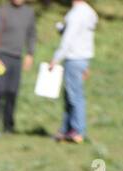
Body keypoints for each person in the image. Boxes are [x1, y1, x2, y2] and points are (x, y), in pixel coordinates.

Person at [0, 0, 36, 136]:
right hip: (2, 57)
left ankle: (8, 126)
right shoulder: (2, 11)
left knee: (12, 92)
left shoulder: (29, 12)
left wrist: (30, 53)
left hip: (17, 58)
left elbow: (31, 34)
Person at [52, 0, 98, 144]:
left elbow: (68, 39)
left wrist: (56, 59)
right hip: (83, 58)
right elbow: (84, 37)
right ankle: (66, 129)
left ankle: (77, 131)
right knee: (70, 96)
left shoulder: (75, 14)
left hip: (74, 58)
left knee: (74, 97)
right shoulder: (90, 12)